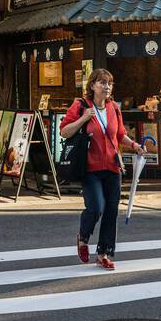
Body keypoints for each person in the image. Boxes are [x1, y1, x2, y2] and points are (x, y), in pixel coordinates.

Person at [59, 69, 145, 270]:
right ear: (92, 85)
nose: (107, 87)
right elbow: (64, 131)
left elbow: (120, 134)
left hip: (113, 167)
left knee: (111, 211)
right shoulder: (81, 105)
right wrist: (83, 119)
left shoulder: (114, 108)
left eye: (109, 83)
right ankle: (83, 237)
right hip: (90, 168)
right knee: (96, 208)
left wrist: (134, 145)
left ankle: (103, 253)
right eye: (102, 83)